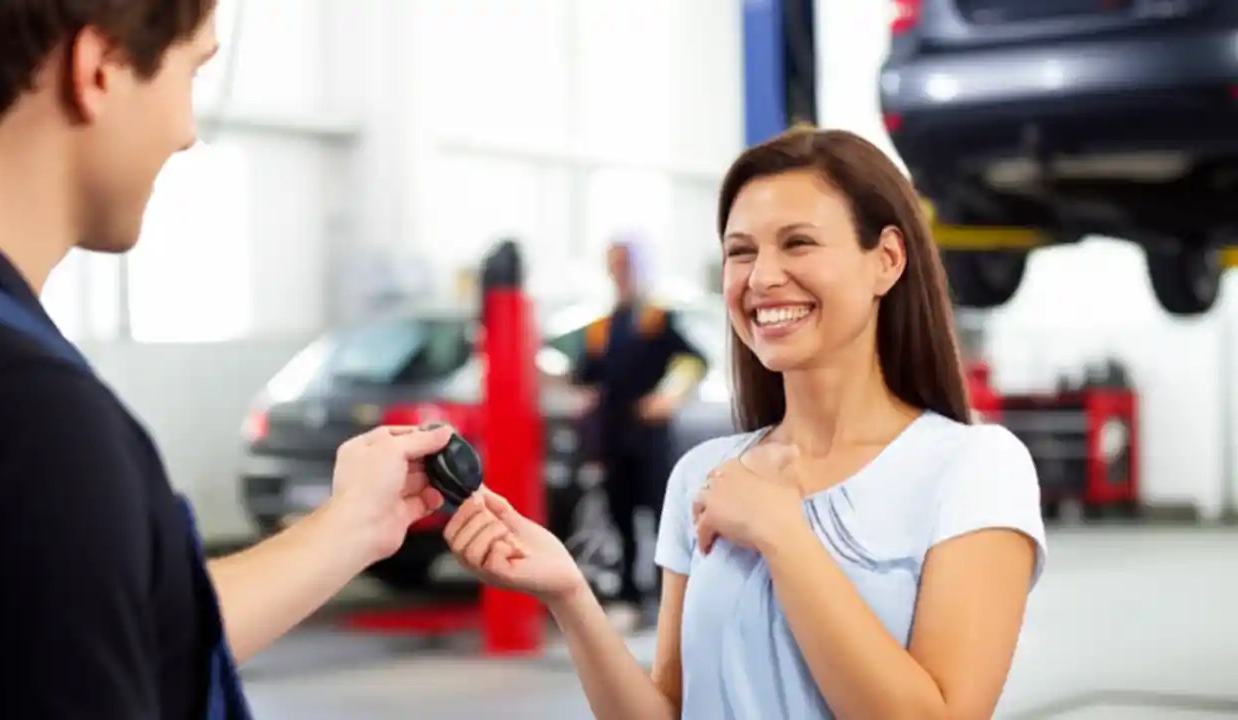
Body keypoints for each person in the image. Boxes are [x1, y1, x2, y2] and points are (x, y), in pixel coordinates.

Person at [443, 125, 1047, 719]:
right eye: (741, 251)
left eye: (798, 243)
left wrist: (782, 534)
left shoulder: (973, 468)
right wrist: (569, 594)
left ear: (886, 260)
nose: (761, 278)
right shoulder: (704, 476)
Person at [0, 2, 452, 717]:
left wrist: (355, 527)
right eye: (191, 72)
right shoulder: (30, 423)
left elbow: (101, 625)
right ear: (98, 69)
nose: (187, 134)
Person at [572, 237, 706, 625]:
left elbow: (695, 360)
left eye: (625, 264)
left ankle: (671, 598)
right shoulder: (603, 326)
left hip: (650, 438)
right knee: (622, 518)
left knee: (664, 517)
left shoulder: (657, 319)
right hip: (614, 439)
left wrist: (670, 396)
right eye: (613, 265)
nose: (620, 272)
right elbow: (586, 375)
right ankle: (629, 597)